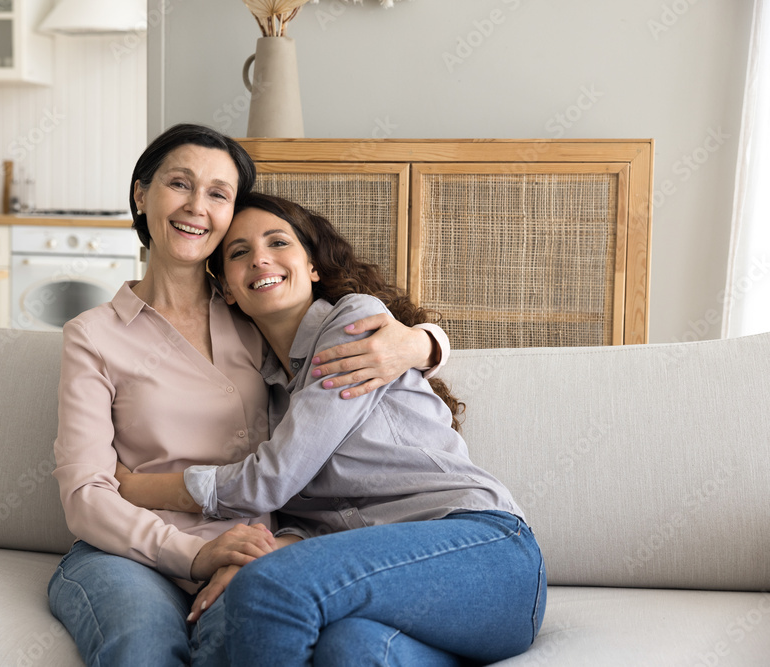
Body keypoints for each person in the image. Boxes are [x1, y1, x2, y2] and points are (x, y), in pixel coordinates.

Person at [48, 124, 447, 667]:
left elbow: (349, 339)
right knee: (142, 649)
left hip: (254, 548)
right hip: (127, 550)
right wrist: (196, 553)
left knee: (234, 649)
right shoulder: (93, 335)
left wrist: (424, 342)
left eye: (217, 193)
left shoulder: (255, 311)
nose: (196, 206)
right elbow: (86, 495)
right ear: (142, 195)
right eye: (179, 184)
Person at [116, 192, 547, 666]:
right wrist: (262, 554)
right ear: (229, 291)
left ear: (313, 267)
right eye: (238, 253)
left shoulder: (353, 323)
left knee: (271, 587)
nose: (260, 258)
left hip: (485, 553)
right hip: (400, 595)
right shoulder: (266, 394)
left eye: (277, 242)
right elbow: (316, 517)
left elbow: (271, 479)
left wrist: (135, 487)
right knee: (349, 652)